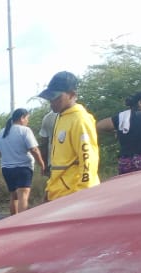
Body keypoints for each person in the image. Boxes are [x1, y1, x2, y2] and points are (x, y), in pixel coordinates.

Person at [37, 71, 99, 201]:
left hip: (73, 195)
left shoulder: (80, 119)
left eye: (57, 98)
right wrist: (49, 189)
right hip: (59, 193)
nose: (52, 102)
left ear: (72, 95)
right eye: (50, 98)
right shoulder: (61, 117)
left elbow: (88, 160)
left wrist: (83, 194)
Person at [0, 108, 45, 215]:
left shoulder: (2, 132)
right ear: (22, 118)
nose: (28, 121)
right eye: (27, 118)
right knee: (23, 196)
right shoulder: (25, 131)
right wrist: (41, 163)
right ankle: (22, 224)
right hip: (22, 168)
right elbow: (34, 149)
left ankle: (13, 222)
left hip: (7, 170)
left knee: (13, 196)